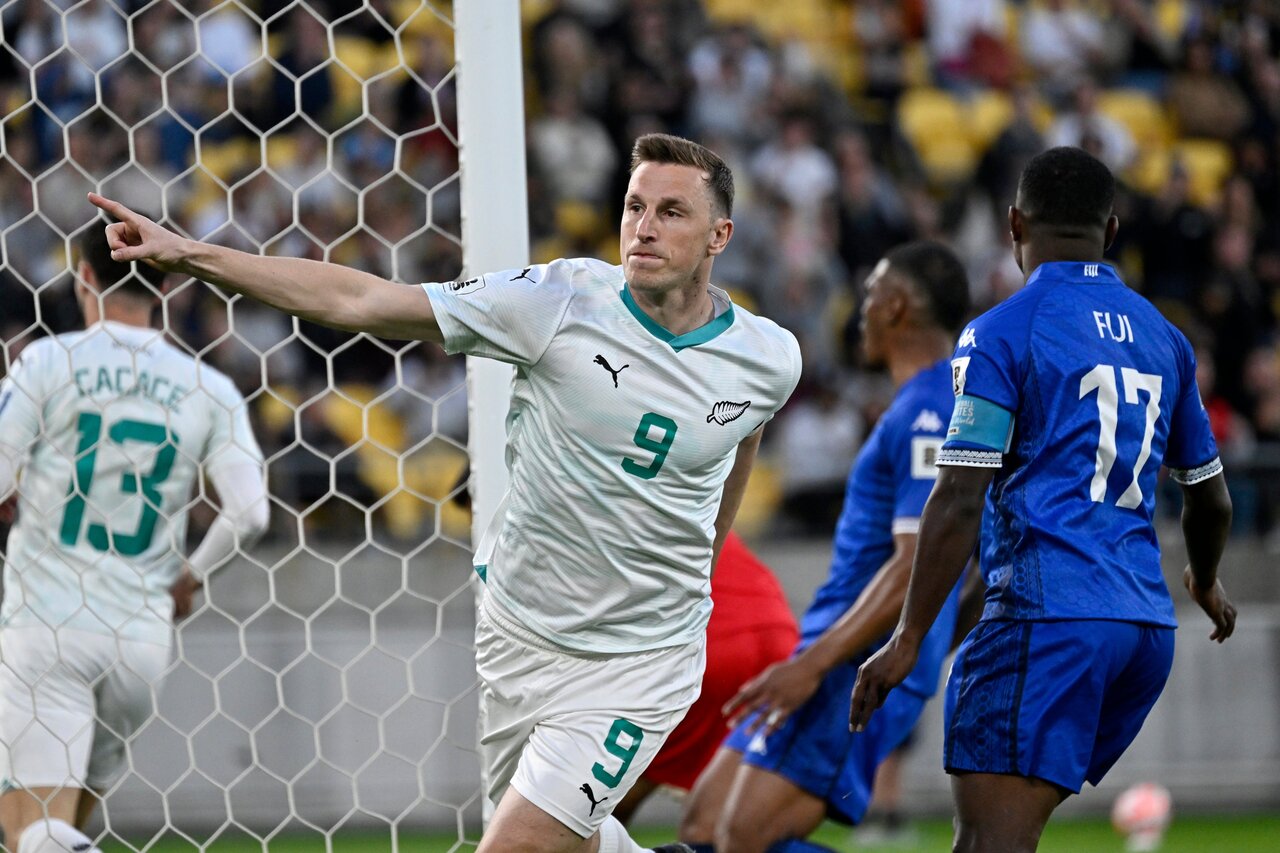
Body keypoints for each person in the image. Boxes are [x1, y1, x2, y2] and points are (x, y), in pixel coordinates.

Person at [88, 132, 803, 853]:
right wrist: (191, 253)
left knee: (514, 845)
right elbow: (364, 298)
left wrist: (700, 573)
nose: (644, 226)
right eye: (634, 205)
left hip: (639, 660)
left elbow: (741, 441)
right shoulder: (559, 301)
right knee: (564, 840)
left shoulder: (768, 356)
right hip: (519, 635)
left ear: (720, 236)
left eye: (672, 211)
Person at [851, 147, 1237, 853]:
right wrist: (1205, 580)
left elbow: (960, 496)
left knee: (988, 844)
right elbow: (1210, 499)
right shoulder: (1168, 339)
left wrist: (908, 639)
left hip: (1047, 616)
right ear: (1112, 230)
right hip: (1145, 629)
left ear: (1013, 224)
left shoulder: (1001, 331)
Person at [677, 241, 973, 853]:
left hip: (847, 664)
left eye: (869, 296)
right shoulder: (929, 407)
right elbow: (971, 568)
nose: (858, 311)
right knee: (705, 827)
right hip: (838, 650)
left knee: (742, 839)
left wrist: (818, 666)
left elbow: (916, 559)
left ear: (895, 307)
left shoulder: (929, 409)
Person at [0, 222, 269, 853]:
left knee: (33, 836)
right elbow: (251, 514)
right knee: (50, 833)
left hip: (48, 625)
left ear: (83, 279)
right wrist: (190, 577)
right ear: (166, 286)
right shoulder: (211, 388)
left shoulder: (47, 360)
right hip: (139, 643)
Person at [612, 532, 799, 826]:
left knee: (590, 806)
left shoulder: (606, 510)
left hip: (710, 646)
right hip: (778, 640)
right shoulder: (699, 501)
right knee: (722, 824)